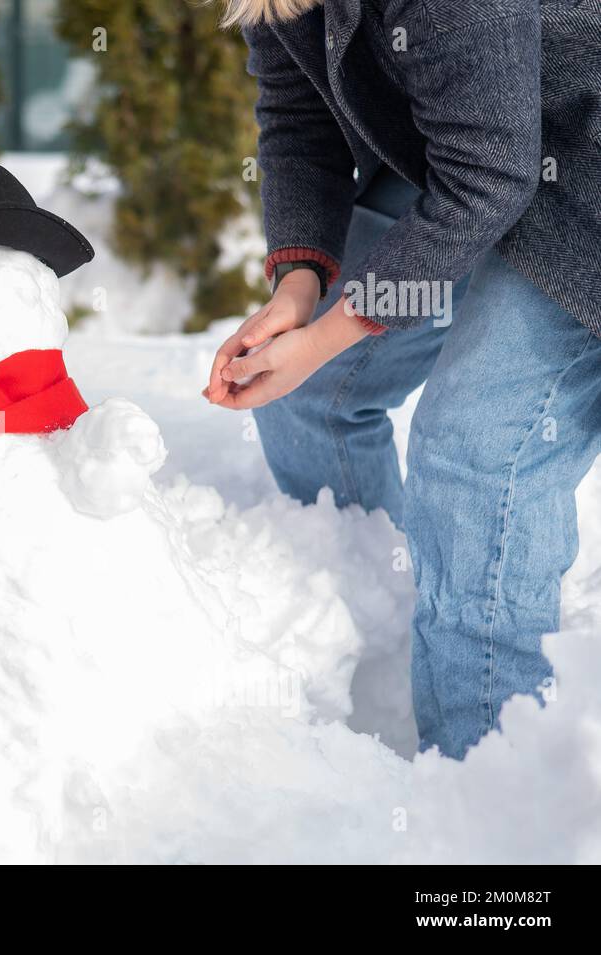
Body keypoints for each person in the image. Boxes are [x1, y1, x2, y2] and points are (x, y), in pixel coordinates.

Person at [203, 0, 601, 758]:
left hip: (581, 176)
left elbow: (488, 178)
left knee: (474, 456)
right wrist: (299, 289)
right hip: (465, 144)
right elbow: (298, 118)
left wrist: (329, 332)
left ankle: (486, 785)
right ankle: (381, 624)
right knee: (312, 394)